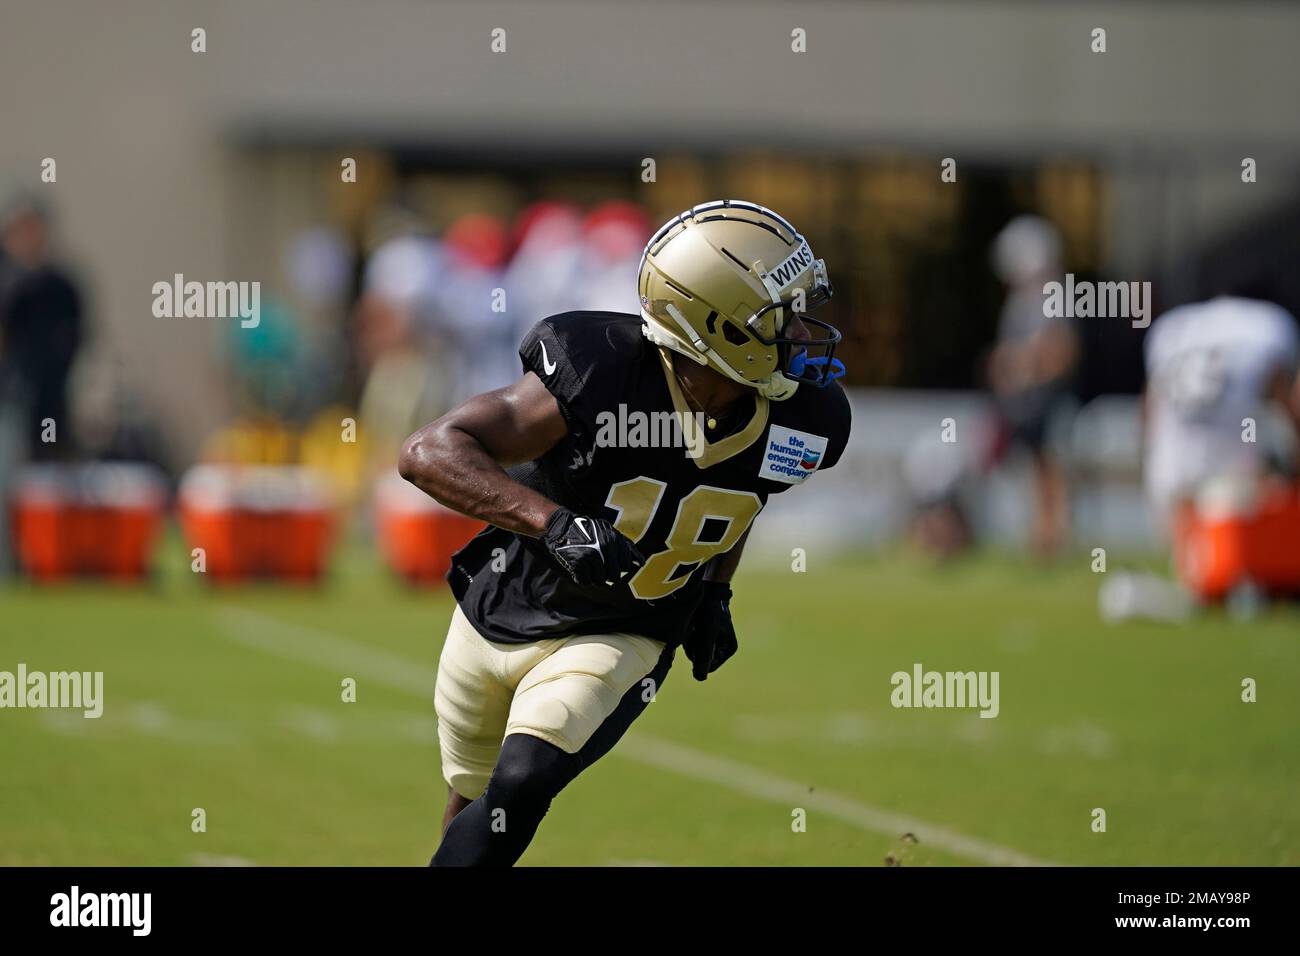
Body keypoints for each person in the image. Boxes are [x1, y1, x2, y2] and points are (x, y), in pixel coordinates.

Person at [399, 200, 851, 866]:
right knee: (471, 803)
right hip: (498, 606)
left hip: (625, 629)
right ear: (719, 326)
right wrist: (551, 523)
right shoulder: (602, 371)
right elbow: (429, 452)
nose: (803, 333)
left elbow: (739, 498)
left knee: (521, 784)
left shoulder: (808, 418)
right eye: (780, 317)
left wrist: (715, 591)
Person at [1142, 295, 1300, 533]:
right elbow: (1284, 398)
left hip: (1172, 461)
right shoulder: (1267, 325)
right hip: (1235, 464)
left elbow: (1150, 404)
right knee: (1236, 542)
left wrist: (1148, 454)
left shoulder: (1170, 328)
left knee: (1193, 547)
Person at [986, 215, 1078, 556]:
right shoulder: (1025, 300)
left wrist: (1020, 364)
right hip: (1028, 402)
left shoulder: (1050, 297)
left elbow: (1061, 351)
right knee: (1035, 470)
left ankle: (1052, 539)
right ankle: (1042, 536)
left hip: (1047, 399)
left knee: (1050, 469)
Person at [0, 193, 85, 461]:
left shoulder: (60, 286)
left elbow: (74, 339)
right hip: (8, 403)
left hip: (50, 405)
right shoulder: (7, 283)